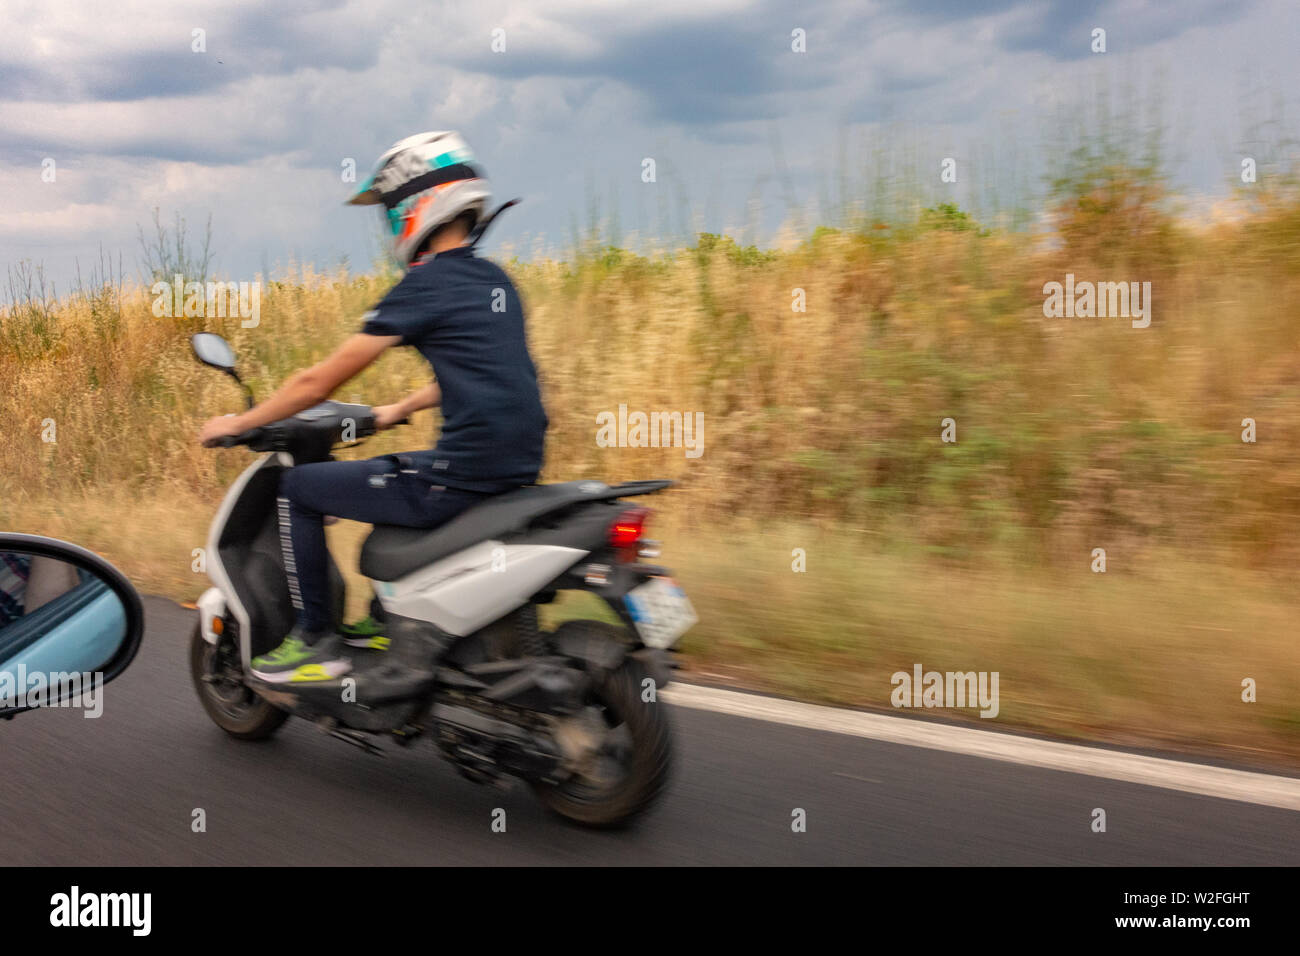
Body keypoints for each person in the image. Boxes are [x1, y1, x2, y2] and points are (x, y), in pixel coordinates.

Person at [198, 131, 548, 684]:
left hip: (459, 478)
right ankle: (385, 621)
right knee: (389, 484)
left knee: (301, 489)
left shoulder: (427, 283)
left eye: (389, 211)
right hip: (513, 469)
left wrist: (238, 423)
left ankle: (317, 639)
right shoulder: (493, 280)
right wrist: (397, 408)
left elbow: (317, 383)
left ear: (414, 206)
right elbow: (493, 370)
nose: (388, 225)